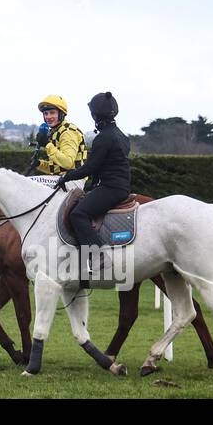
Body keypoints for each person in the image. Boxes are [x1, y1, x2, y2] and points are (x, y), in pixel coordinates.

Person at [56, 92, 131, 288]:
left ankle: (99, 259)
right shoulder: (121, 135)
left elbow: (90, 168)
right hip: (119, 186)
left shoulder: (103, 138)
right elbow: (99, 169)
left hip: (111, 188)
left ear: (96, 116)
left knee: (78, 214)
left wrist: (66, 176)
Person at [32, 95, 88, 176]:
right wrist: (39, 164)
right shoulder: (55, 132)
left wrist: (47, 145)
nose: (48, 117)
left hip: (74, 181)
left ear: (61, 114)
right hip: (61, 179)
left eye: (52, 113)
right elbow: (57, 168)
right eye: (45, 113)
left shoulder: (68, 131)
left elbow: (67, 163)